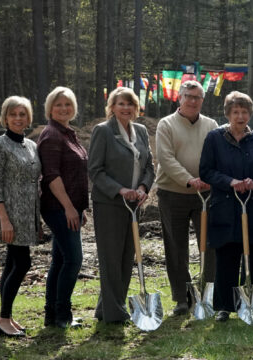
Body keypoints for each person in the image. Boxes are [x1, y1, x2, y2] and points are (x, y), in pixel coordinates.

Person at [199, 91, 253, 322]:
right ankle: (224, 306)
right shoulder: (215, 138)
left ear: (250, 114)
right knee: (227, 257)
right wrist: (231, 182)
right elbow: (206, 171)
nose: (240, 116)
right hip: (225, 206)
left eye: (244, 112)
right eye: (235, 112)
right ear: (228, 114)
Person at [88, 87, 155, 324]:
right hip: (109, 204)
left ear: (136, 108)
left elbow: (149, 166)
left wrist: (144, 188)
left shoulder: (141, 131)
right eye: (120, 104)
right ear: (112, 107)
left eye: (130, 104)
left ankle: (105, 308)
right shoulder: (103, 131)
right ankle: (115, 313)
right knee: (111, 257)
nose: (126, 108)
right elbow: (95, 170)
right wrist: (120, 190)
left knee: (127, 256)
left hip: (134, 203)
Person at [154, 80, 219, 315]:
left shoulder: (211, 125)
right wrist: (189, 179)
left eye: (197, 97)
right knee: (176, 247)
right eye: (188, 96)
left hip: (206, 194)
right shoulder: (166, 124)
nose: (193, 101)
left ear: (202, 100)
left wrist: (209, 178)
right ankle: (182, 297)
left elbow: (218, 154)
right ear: (179, 98)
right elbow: (166, 158)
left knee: (209, 245)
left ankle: (208, 292)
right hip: (174, 193)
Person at [0, 96, 41, 337]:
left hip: (27, 215)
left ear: (28, 117)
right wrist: (4, 219)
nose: (18, 119)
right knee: (23, 263)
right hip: (9, 215)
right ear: (5, 117)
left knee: (12, 264)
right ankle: (2, 319)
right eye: (13, 114)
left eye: (22, 114)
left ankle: (6, 317)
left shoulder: (31, 146)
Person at [38, 87, 87, 329]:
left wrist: (80, 207)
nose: (63, 108)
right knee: (73, 260)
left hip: (70, 207)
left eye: (68, 104)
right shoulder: (51, 136)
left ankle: (52, 315)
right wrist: (69, 207)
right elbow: (52, 176)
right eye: (58, 105)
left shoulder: (67, 133)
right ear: (50, 108)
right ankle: (62, 315)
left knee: (59, 260)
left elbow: (74, 174)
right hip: (58, 208)